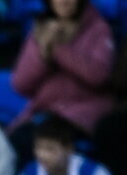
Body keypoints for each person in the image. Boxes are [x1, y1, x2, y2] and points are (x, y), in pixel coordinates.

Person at [8, 0, 115, 151]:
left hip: (82, 115)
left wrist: (57, 50)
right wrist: (43, 55)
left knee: (33, 141)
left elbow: (98, 76)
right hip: (46, 112)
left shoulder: (99, 29)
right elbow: (20, 84)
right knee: (13, 140)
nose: (63, 1)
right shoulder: (41, 30)